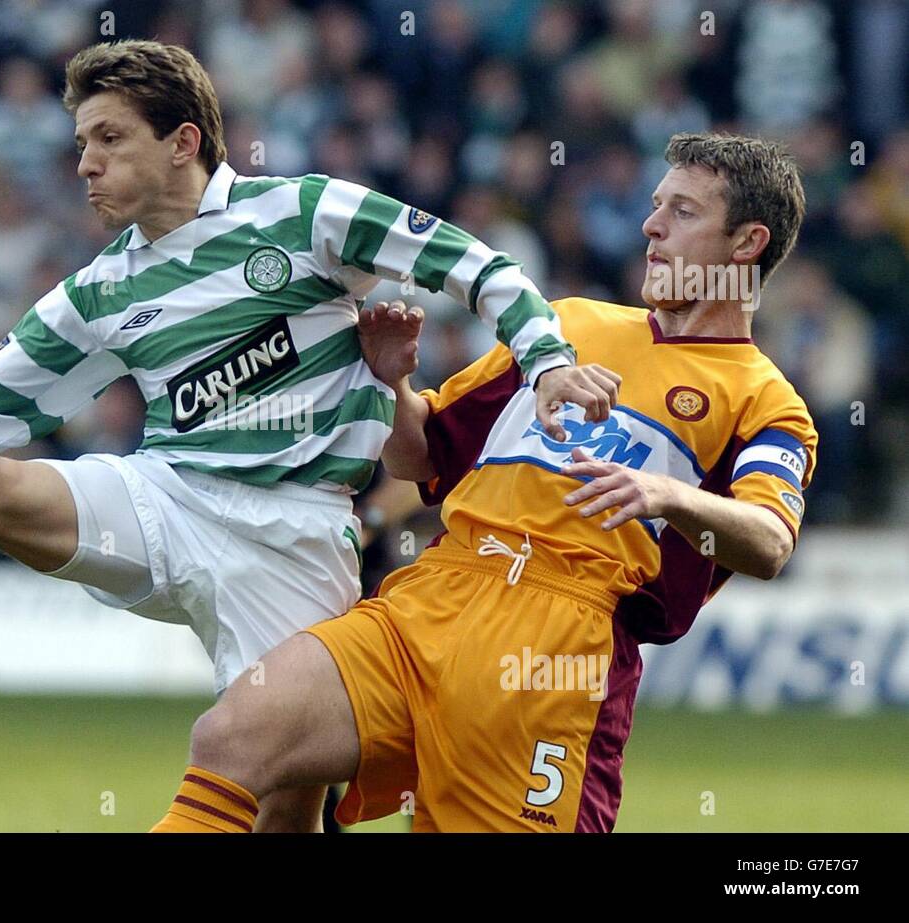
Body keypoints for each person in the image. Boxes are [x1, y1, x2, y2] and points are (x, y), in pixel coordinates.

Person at [0, 40, 614, 832]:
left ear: (183, 141)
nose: (84, 162)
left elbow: (476, 265)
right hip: (167, 500)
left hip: (296, 536)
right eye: (81, 142)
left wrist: (546, 358)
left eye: (109, 138)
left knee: (285, 808)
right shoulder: (100, 289)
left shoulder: (306, 211)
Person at [150, 132, 817, 833]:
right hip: (436, 594)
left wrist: (668, 494)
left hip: (556, 649)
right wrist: (393, 382)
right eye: (656, 206)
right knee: (234, 738)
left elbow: (770, 543)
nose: (651, 226)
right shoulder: (567, 325)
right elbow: (422, 455)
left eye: (682, 212)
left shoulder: (765, 401)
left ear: (747, 243)